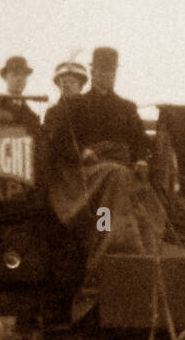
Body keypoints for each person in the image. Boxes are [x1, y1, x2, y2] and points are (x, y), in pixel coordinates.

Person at [43, 47, 166, 323]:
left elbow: (140, 145)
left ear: (115, 73)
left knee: (145, 196)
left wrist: (142, 161)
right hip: (88, 173)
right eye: (101, 71)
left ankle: (144, 254)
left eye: (111, 72)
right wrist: (82, 154)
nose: (106, 76)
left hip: (121, 168)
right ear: (94, 72)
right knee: (116, 177)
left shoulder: (126, 108)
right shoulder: (75, 106)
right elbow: (60, 142)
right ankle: (114, 237)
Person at [0, 56, 42, 136]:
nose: (19, 79)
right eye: (15, 75)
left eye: (23, 75)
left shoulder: (32, 116)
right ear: (5, 78)